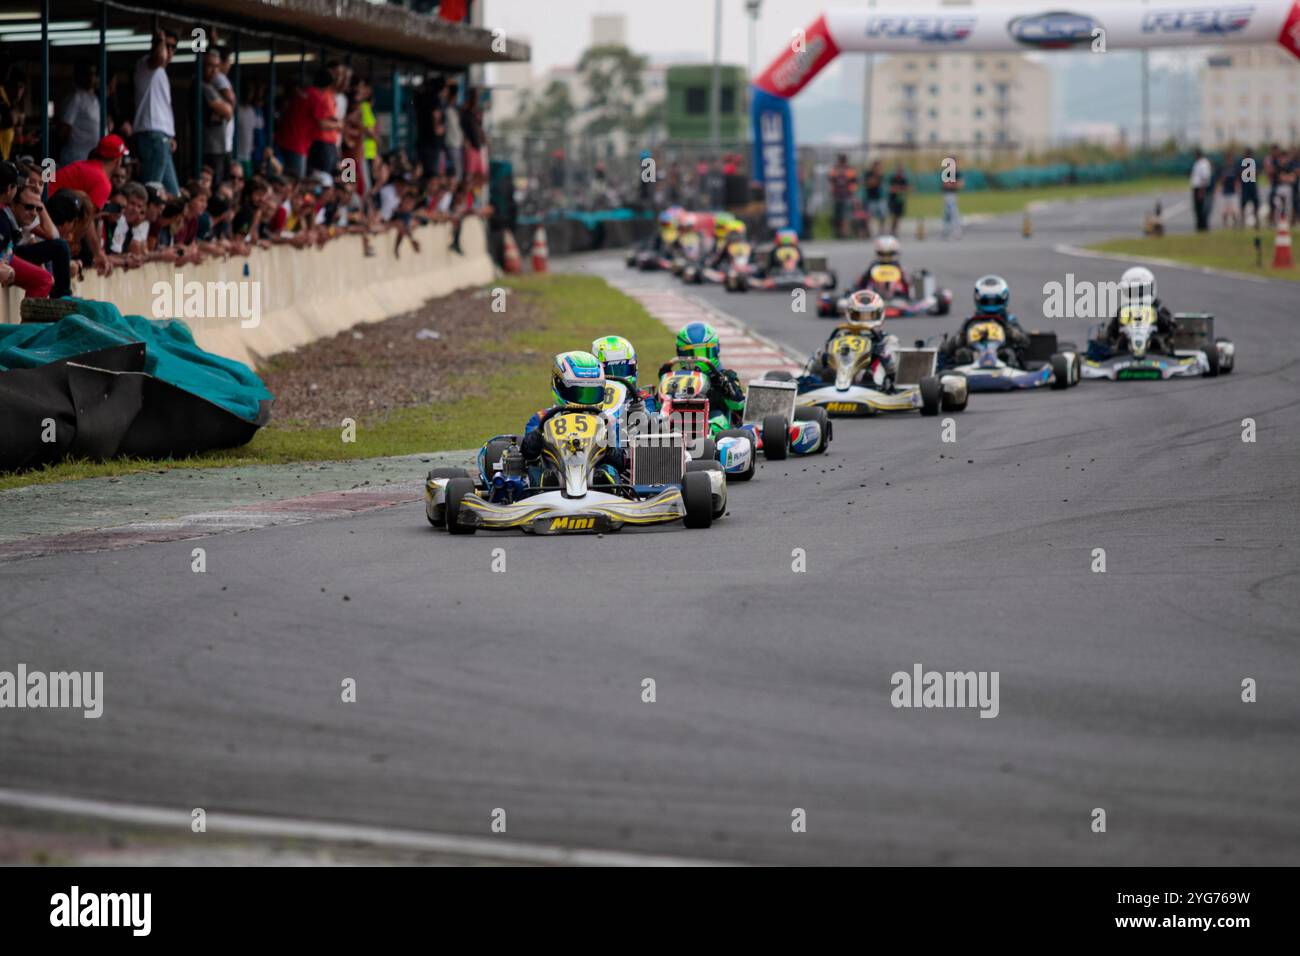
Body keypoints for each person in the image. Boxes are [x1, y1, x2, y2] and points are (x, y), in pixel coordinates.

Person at [521, 351, 625, 478]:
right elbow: (527, 454)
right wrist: (535, 439)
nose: (584, 401)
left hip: (595, 481)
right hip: (552, 480)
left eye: (591, 393)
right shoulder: (541, 418)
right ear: (559, 385)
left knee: (610, 472)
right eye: (578, 393)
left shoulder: (604, 422)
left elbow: (621, 462)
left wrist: (611, 450)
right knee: (534, 475)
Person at [658, 322, 745, 428]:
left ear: (715, 350)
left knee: (717, 419)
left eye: (702, 353)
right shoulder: (676, 379)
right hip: (680, 424)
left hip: (715, 427)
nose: (697, 359)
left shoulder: (726, 376)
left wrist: (726, 387)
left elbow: (739, 405)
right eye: (690, 354)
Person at [805, 289, 897, 388]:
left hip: (873, 381)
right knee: (827, 371)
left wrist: (883, 355)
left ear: (879, 314)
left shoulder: (887, 340)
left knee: (866, 375)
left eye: (870, 316)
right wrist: (823, 358)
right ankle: (830, 383)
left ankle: (870, 384)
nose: (864, 321)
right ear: (849, 314)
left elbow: (894, 369)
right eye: (859, 316)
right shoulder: (841, 336)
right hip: (842, 376)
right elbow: (817, 366)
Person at [940, 275, 1031, 364]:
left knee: (1007, 353)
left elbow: (1026, 342)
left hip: (1000, 354)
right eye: (986, 301)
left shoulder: (1009, 320)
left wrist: (1012, 333)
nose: (991, 304)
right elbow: (949, 348)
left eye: (995, 301)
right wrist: (960, 338)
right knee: (962, 354)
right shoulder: (970, 321)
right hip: (974, 356)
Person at [133, 29, 180, 196]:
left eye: (173, 47)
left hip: (162, 138)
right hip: (152, 136)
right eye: (166, 45)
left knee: (174, 195)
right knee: (152, 190)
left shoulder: (162, 73)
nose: (170, 50)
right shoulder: (146, 64)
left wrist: (170, 136)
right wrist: (160, 39)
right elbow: (159, 58)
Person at [8, 183, 75, 297]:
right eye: (29, 207)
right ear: (13, 204)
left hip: (14, 253)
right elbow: (52, 235)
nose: (34, 212)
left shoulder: (26, 215)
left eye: (37, 208)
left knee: (60, 247)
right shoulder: (7, 216)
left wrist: (41, 206)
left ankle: (63, 299)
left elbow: (54, 236)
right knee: (44, 279)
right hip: (7, 257)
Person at [1100, 266, 1177, 355]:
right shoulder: (1123, 310)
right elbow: (1111, 333)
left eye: (1140, 291)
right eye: (1132, 291)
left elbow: (1171, 328)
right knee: (1117, 341)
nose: (1137, 295)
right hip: (1125, 351)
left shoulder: (1158, 307)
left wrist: (1158, 318)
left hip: (1156, 349)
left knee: (1158, 341)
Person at [49, 134, 127, 211]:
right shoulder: (103, 182)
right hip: (49, 210)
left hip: (46, 204)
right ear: (118, 160)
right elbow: (86, 219)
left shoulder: (83, 164)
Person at [57, 63, 102, 168]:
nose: (92, 77)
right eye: (88, 74)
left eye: (94, 74)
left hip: (91, 158)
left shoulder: (94, 97)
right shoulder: (76, 97)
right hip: (76, 157)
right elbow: (64, 128)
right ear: (79, 76)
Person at [200, 52, 234, 186]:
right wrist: (222, 110)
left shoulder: (212, 87)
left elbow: (229, 111)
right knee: (213, 187)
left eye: (217, 67)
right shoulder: (203, 86)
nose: (214, 71)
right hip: (209, 147)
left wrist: (223, 110)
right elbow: (227, 110)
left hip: (220, 146)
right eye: (209, 66)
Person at [306, 67, 342, 179]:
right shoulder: (318, 95)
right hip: (321, 143)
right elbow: (321, 123)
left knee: (337, 176)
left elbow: (327, 117)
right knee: (323, 177)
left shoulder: (329, 96)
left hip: (332, 143)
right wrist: (339, 125)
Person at [851, 234, 910, 299]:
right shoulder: (874, 266)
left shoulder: (898, 267)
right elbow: (861, 282)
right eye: (883, 254)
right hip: (875, 295)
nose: (886, 257)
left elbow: (908, 283)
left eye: (889, 254)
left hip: (898, 297)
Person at [828, 153, 857, 239]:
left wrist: (851, 194)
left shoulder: (849, 170)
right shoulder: (835, 170)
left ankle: (845, 233)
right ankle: (838, 232)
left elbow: (854, 183)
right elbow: (831, 181)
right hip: (837, 195)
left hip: (846, 196)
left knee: (845, 215)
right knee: (838, 215)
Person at [1190, 149, 1213, 232]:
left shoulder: (1203, 163)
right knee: (1197, 209)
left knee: (1202, 209)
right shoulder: (1198, 163)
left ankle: (1203, 227)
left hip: (1201, 188)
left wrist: (1201, 191)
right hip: (1197, 188)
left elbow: (1205, 177)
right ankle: (1199, 226)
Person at [941, 162, 964, 240]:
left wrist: (953, 184)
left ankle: (956, 232)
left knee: (953, 213)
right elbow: (946, 184)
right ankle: (947, 231)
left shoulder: (956, 173)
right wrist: (954, 184)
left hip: (953, 195)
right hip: (947, 195)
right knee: (947, 214)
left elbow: (961, 184)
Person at [864, 160, 886, 238]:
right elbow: (870, 183)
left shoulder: (881, 174)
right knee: (870, 215)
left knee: (883, 215)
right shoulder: (868, 174)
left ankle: (881, 230)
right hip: (871, 198)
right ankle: (870, 231)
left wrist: (876, 180)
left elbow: (879, 183)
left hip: (880, 198)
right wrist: (876, 178)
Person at [1239, 147, 1260, 229]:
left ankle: (1256, 222)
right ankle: (1242, 223)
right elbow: (1240, 174)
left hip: (1252, 186)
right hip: (1245, 187)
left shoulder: (1254, 163)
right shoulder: (1242, 162)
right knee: (1243, 205)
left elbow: (1257, 173)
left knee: (1255, 204)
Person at [887, 163, 909, 236]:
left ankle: (895, 230)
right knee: (894, 215)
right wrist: (900, 189)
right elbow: (892, 189)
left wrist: (900, 189)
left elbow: (907, 188)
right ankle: (892, 230)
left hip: (900, 199)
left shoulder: (903, 179)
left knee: (898, 216)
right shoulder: (893, 178)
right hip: (893, 199)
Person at [1218, 157, 1240, 229]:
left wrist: (1237, 188)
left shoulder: (1234, 169)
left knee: (1234, 209)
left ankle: (1235, 223)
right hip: (1225, 191)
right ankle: (1225, 224)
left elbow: (1237, 180)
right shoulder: (1224, 169)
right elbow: (1221, 180)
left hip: (1233, 192)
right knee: (1225, 210)